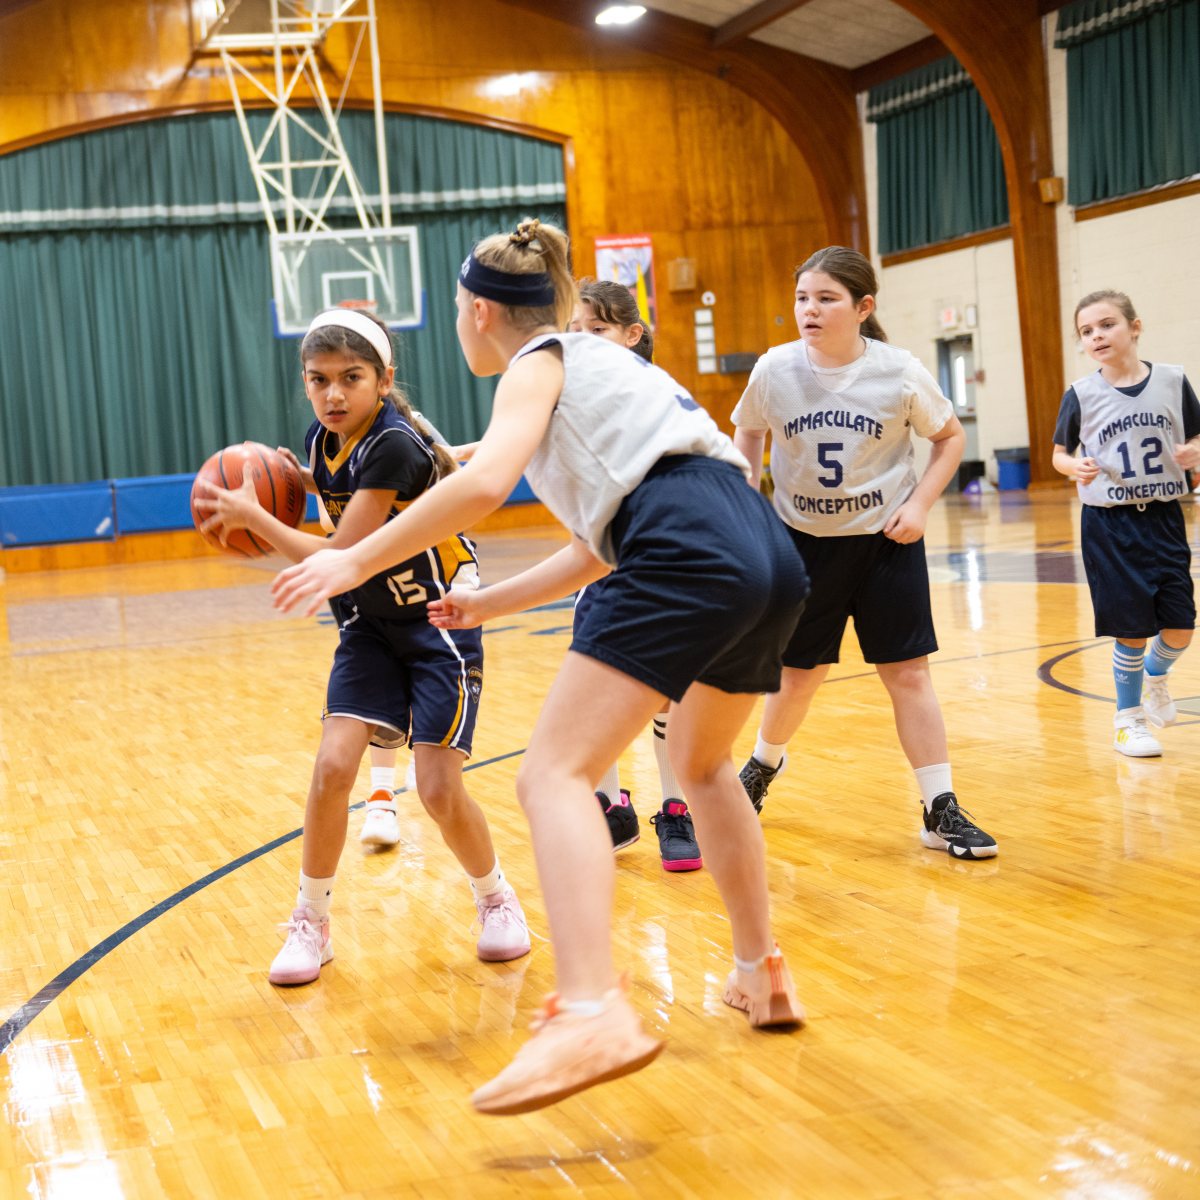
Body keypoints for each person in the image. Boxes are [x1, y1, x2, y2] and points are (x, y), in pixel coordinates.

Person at [271, 219, 809, 1115]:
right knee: (705, 767)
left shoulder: (540, 361)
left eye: (455, 309)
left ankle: (591, 1008)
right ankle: (762, 973)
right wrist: (489, 601)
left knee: (552, 774)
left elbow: (481, 490)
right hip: (760, 549)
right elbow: (603, 544)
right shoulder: (615, 372)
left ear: (479, 311)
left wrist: (350, 559)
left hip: (685, 546)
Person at [194, 308, 531, 985]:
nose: (333, 394)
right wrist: (297, 480)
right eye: (318, 380)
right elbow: (340, 511)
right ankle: (311, 922)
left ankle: (496, 899)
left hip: (439, 624)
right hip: (370, 629)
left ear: (384, 379)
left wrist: (258, 517)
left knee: (437, 788)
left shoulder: (395, 446)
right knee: (330, 768)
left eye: (351, 378)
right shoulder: (324, 441)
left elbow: (344, 554)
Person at [731, 245, 997, 861]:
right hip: (802, 546)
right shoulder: (773, 369)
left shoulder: (898, 371)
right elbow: (748, 428)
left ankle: (940, 807)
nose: (809, 310)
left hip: (884, 543)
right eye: (802, 298)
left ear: (863, 307)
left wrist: (921, 504)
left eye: (826, 298)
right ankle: (762, 767)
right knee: (796, 678)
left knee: (908, 674)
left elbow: (950, 438)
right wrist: (744, 496)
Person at [567, 278, 700, 871]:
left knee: (667, 695)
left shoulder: (656, 395)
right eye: (573, 333)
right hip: (600, 562)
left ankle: (676, 808)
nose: (583, 343)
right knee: (597, 693)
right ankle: (610, 803)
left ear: (631, 334)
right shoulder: (569, 398)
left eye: (595, 331)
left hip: (666, 561)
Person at [1052, 289, 1200, 757]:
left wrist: (1194, 452)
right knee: (1132, 628)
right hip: (1109, 524)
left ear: (1134, 327)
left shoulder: (1174, 381)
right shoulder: (1081, 393)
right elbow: (1059, 454)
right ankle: (1127, 720)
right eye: (1087, 331)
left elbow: (1197, 436)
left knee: (1180, 628)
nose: (1097, 335)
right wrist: (1073, 468)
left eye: (1107, 324)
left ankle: (1157, 678)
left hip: (1164, 516)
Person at [278, 443, 417, 848]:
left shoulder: (395, 435)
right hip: (355, 582)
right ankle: (381, 796)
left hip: (410, 575)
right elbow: (332, 521)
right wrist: (300, 479)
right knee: (371, 691)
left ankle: (402, 787)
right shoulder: (323, 440)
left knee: (414, 696)